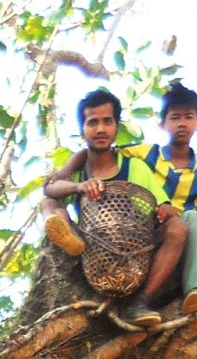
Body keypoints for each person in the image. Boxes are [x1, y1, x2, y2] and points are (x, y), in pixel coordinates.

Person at [57, 83, 197, 315]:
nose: (182, 124)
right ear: (163, 123)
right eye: (175, 117)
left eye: (189, 117)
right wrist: (67, 173)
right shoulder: (146, 154)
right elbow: (97, 150)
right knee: (190, 220)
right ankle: (193, 291)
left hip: (194, 236)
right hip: (157, 230)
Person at [42, 88, 188, 330]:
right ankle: (66, 232)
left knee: (179, 227)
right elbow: (50, 189)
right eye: (93, 122)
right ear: (82, 130)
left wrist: (164, 211)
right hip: (92, 246)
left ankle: (140, 302)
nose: (100, 129)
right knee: (48, 201)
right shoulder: (78, 170)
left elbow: (160, 206)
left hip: (131, 249)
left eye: (107, 121)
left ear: (116, 126)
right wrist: (80, 186)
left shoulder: (134, 168)